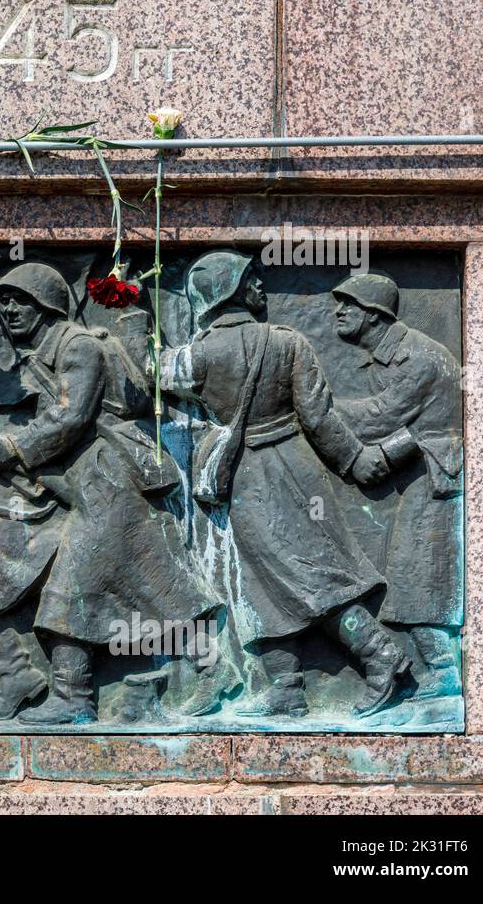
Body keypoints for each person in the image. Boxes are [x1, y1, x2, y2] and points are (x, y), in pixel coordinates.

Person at [161, 251, 409, 718]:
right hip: (295, 468)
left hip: (247, 477)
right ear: (229, 290)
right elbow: (318, 417)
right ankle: (286, 689)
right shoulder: (288, 342)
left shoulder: (199, 355)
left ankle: (379, 653)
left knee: (295, 577)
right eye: (249, 279)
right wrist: (354, 459)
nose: (260, 286)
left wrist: (136, 318)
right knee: (274, 578)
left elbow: (155, 373)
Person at [0, 263, 213, 723]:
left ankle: (73, 696)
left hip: (107, 482)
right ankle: (209, 664)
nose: (10, 310)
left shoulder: (77, 346)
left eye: (21, 300)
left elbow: (72, 415)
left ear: (47, 304)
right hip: (92, 486)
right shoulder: (49, 352)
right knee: (149, 579)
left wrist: (12, 446)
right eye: (6, 302)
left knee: (72, 585)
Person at [331, 274, 464, 699]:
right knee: (410, 571)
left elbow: (379, 417)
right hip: (418, 471)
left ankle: (444, 673)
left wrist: (313, 404)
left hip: (437, 477)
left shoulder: (418, 358)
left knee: (416, 575)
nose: (338, 312)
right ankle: (440, 671)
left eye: (347, 306)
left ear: (373, 316)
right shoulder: (385, 355)